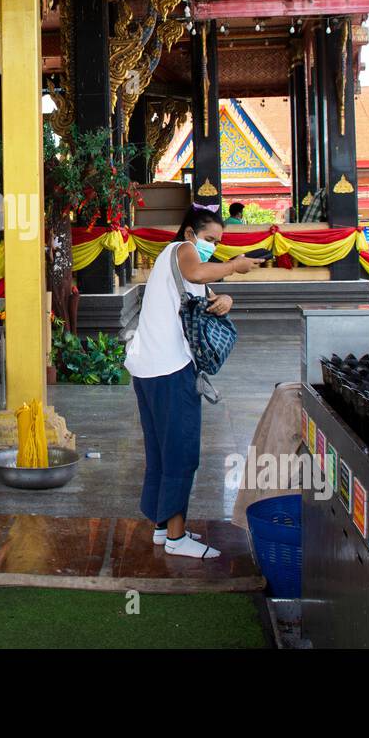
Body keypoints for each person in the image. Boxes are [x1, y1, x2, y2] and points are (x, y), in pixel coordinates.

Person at [123, 205, 257, 558]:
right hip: (170, 370)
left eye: (217, 242)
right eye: (209, 239)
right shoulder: (182, 251)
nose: (212, 245)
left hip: (147, 369)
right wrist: (234, 267)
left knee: (160, 453)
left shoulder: (173, 264)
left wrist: (224, 299)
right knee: (181, 454)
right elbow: (198, 272)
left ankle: (161, 527)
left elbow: (202, 289)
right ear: (189, 234)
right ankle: (177, 538)